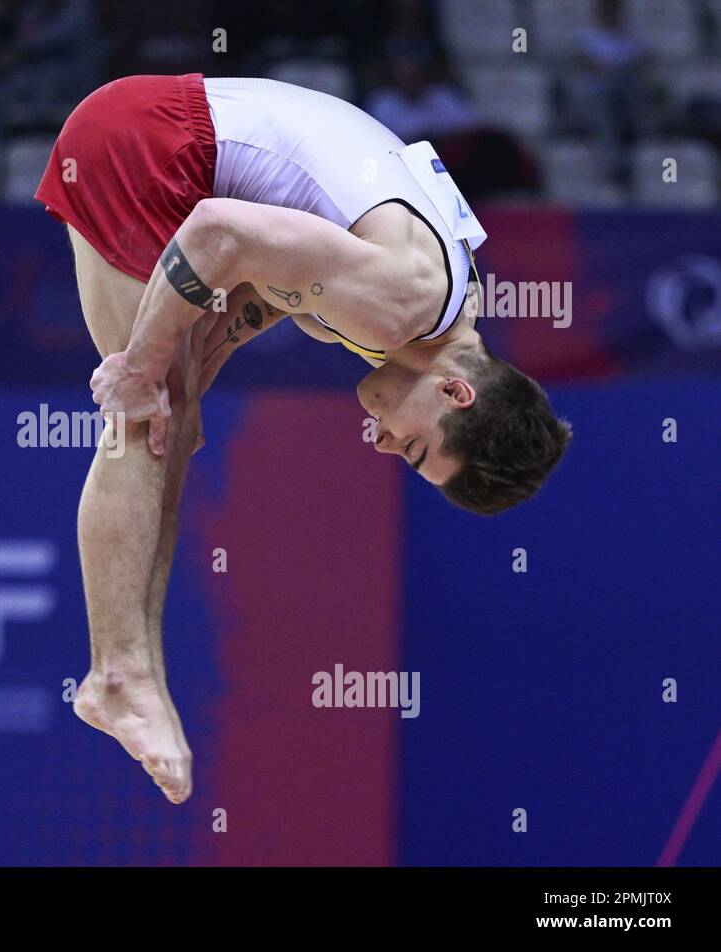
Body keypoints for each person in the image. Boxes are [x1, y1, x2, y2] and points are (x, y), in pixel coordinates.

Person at [34, 74, 571, 803]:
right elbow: (218, 233)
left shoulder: (448, 309)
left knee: (174, 421)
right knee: (146, 414)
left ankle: (137, 671)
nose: (385, 446)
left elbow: (277, 280)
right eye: (414, 448)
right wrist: (142, 367)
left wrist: (204, 358)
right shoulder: (400, 306)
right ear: (456, 393)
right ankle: (116, 675)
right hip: (154, 141)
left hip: (174, 141)